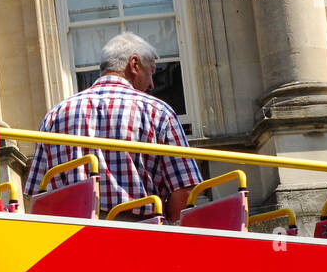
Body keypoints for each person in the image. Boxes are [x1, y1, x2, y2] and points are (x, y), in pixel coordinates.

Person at [25, 33, 202, 220]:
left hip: (75, 237)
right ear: (134, 65)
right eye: (151, 72)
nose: (151, 84)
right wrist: (161, 220)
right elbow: (185, 191)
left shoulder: (55, 115)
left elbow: (38, 197)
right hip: (141, 234)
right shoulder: (158, 112)